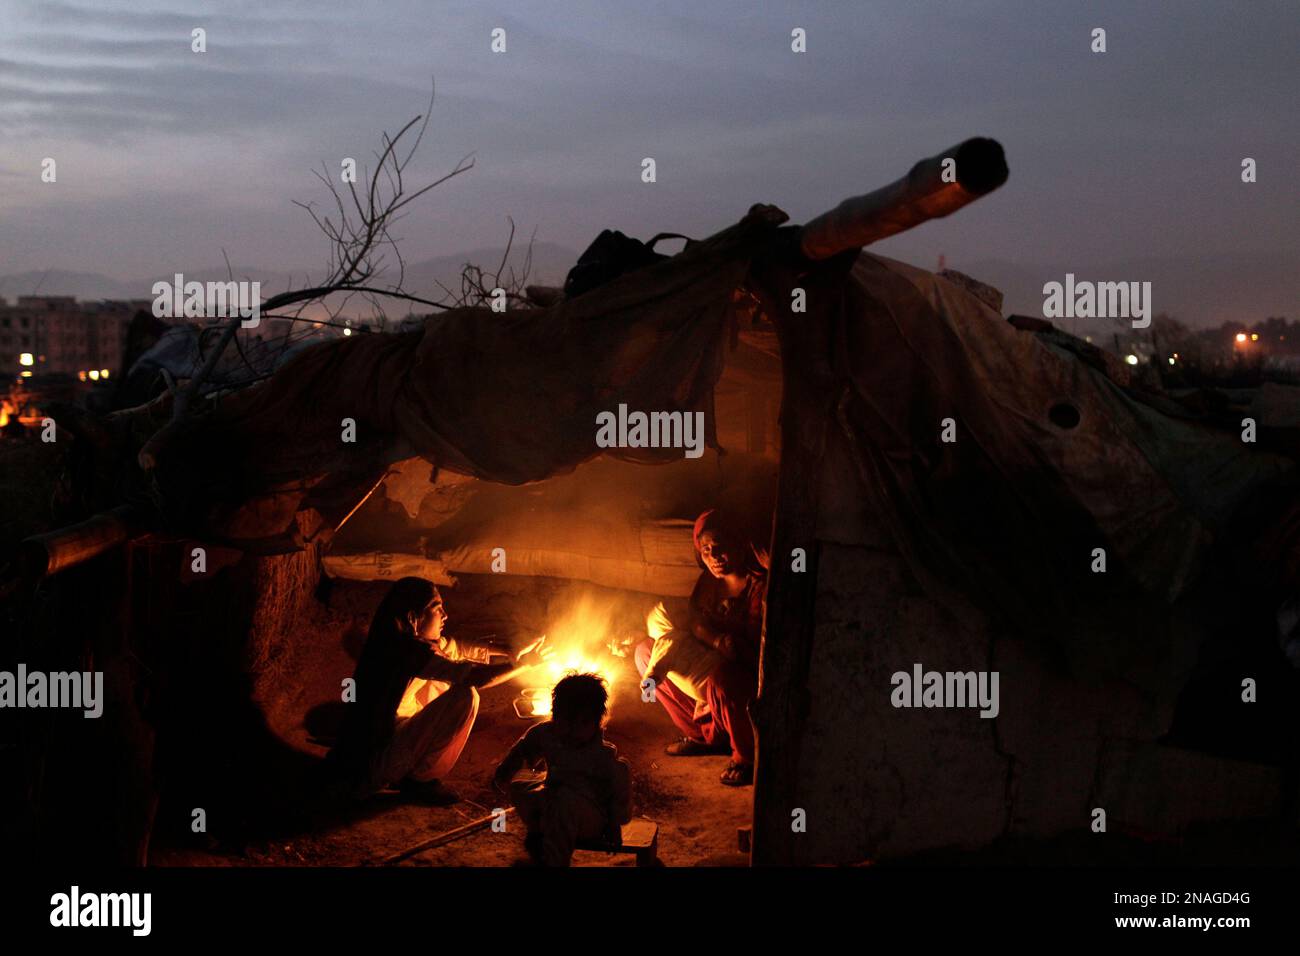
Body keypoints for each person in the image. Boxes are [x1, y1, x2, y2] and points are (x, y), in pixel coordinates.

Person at [329, 576, 549, 805]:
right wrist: (523, 664)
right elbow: (474, 677)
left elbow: (458, 647)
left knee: (444, 680)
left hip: (390, 741)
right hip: (373, 764)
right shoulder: (405, 651)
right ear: (414, 618)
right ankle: (419, 783)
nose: (445, 615)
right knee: (465, 695)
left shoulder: (403, 639)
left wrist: (510, 651)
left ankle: (408, 773)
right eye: (437, 608)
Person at [635, 509, 766, 787]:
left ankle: (745, 756)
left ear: (740, 544)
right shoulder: (709, 582)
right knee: (646, 652)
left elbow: (756, 648)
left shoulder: (758, 587)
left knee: (723, 678)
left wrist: (722, 644)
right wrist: (713, 641)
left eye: (721, 546)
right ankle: (706, 736)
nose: (714, 555)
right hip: (710, 662)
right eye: (706, 549)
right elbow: (694, 624)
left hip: (742, 671)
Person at [493, 673, 632, 867]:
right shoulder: (547, 734)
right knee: (519, 787)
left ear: (597, 723)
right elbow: (524, 748)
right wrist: (505, 770)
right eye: (566, 721)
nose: (573, 730)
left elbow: (617, 792)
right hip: (552, 796)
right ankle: (539, 831)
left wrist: (614, 824)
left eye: (583, 723)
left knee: (563, 803)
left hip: (588, 816)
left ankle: (554, 861)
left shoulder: (603, 756)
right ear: (554, 716)